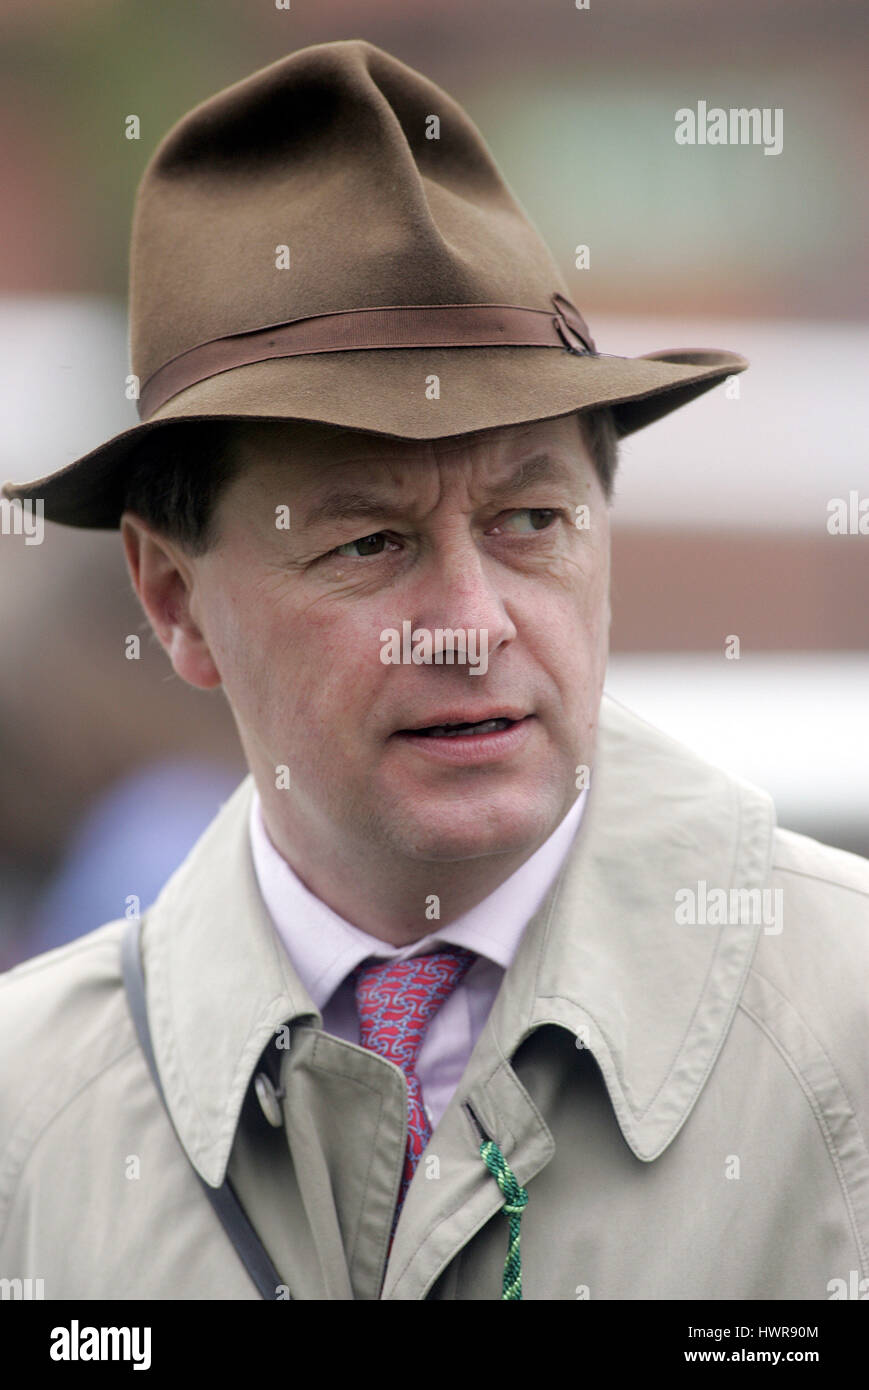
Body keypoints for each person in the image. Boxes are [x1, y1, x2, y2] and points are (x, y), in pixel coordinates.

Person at [1, 39, 866, 1303]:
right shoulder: (32, 1123)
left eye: (531, 521)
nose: (468, 623)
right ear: (174, 598)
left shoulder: (843, 1029)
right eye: (369, 541)